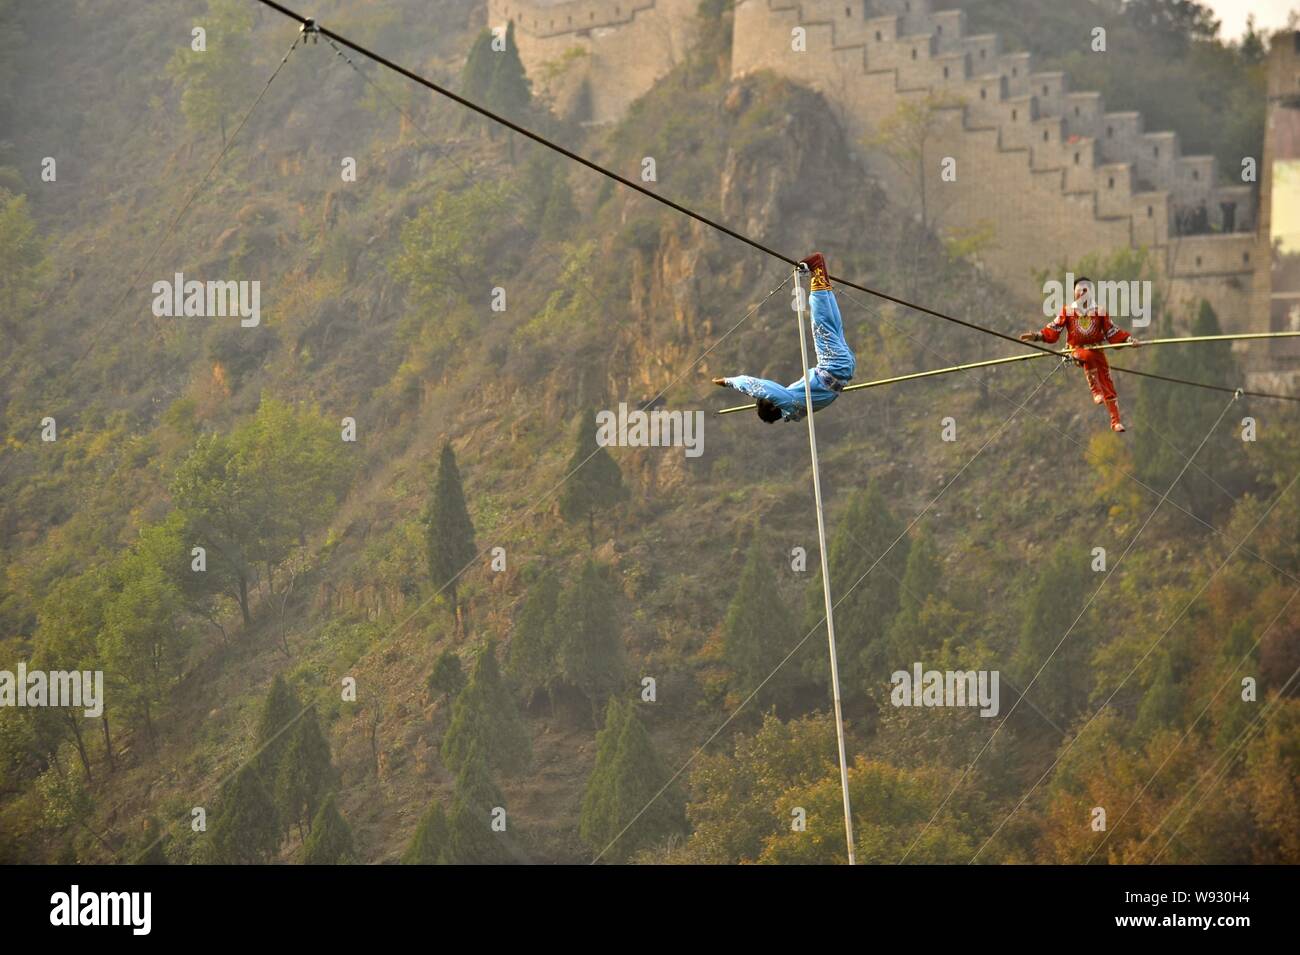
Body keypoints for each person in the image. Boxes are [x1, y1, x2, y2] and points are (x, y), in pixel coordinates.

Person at [712, 253, 855, 422]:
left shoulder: (796, 407)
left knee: (832, 325)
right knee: (821, 325)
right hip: (834, 365)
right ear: (774, 405)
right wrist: (729, 382)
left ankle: (821, 276)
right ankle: (817, 267)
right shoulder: (786, 401)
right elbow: (758, 386)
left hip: (844, 368)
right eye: (770, 399)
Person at [1021, 276, 1141, 432]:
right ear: (1075, 293)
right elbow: (1054, 329)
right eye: (1081, 289)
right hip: (1076, 350)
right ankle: (1095, 390)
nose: (1084, 292)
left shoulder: (1100, 311)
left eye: (1087, 289)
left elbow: (1112, 331)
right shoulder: (1067, 311)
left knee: (1107, 380)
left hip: (1097, 349)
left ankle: (1116, 421)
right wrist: (1037, 336)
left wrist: (1129, 339)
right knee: (1087, 356)